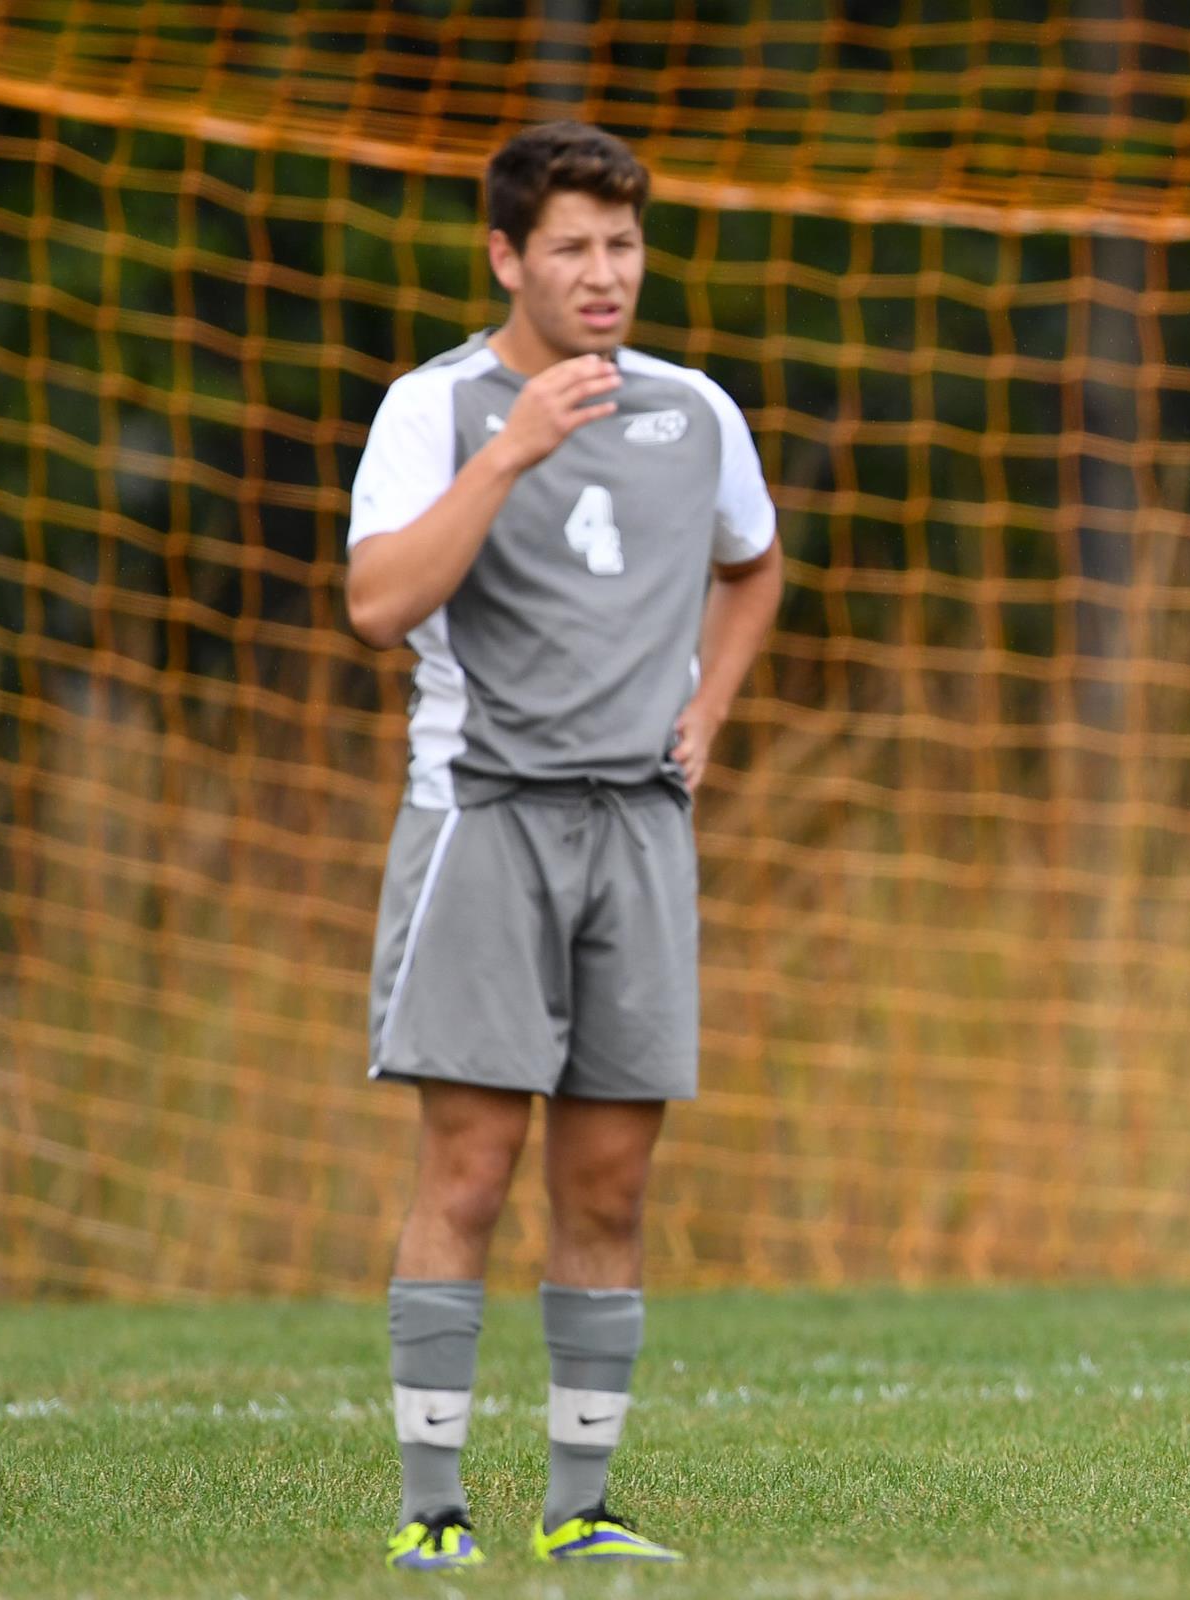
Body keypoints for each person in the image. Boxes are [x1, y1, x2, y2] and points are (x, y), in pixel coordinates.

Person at [344, 121, 783, 1568]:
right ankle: (431, 1511)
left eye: (624, 246)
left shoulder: (693, 411)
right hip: (486, 821)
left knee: (608, 1184)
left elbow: (752, 565)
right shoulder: (436, 408)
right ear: (506, 258)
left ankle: (578, 1509)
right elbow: (377, 604)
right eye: (573, 248)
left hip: (639, 833)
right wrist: (514, 452)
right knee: (469, 1172)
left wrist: (709, 709)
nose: (605, 274)